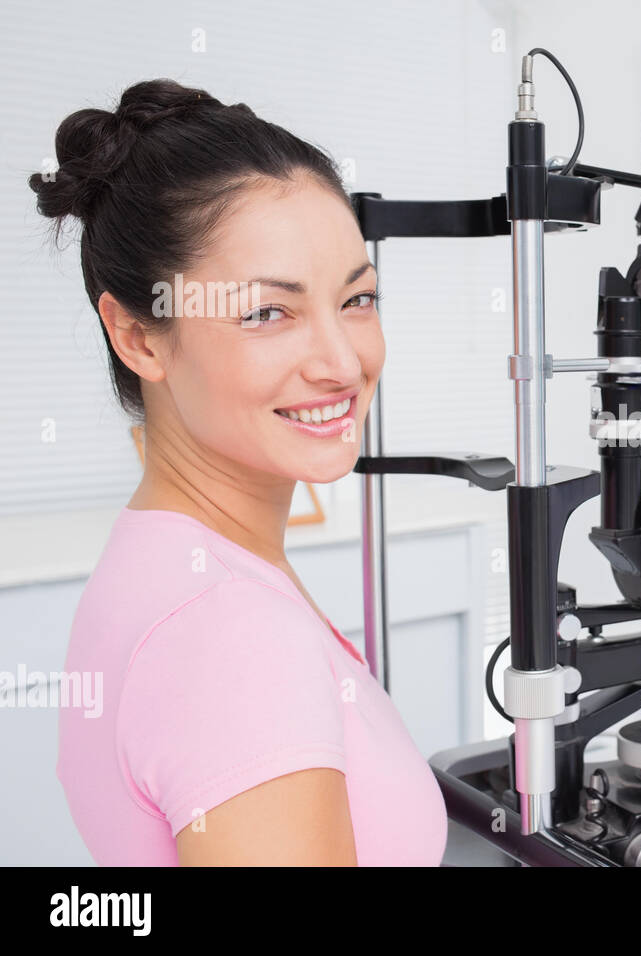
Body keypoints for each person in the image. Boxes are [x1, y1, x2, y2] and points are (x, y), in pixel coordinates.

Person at [32, 78, 447, 865]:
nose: (340, 361)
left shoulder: (173, 566)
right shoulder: (227, 628)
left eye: (357, 300)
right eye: (267, 312)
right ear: (140, 338)